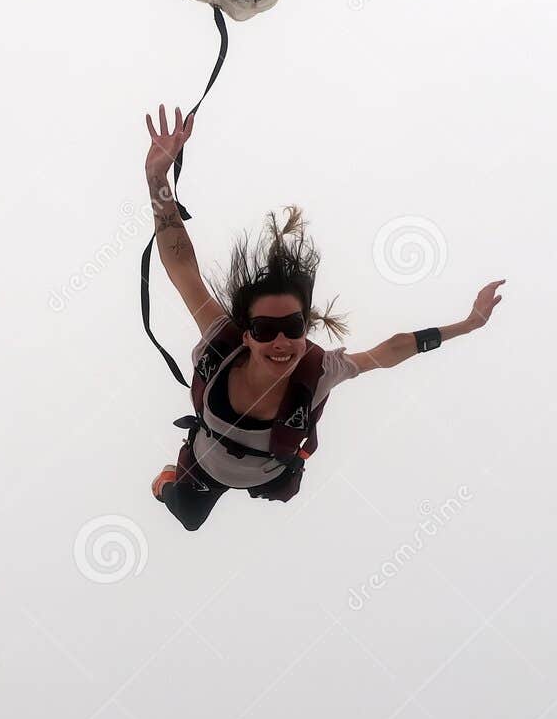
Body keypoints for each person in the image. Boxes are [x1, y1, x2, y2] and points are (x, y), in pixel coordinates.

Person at [143, 104, 504, 531]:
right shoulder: (220, 340)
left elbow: (390, 351)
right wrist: (156, 179)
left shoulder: (320, 371)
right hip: (205, 467)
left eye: (292, 328)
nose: (281, 342)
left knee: (276, 492)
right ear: (247, 336)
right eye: (264, 330)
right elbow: (181, 267)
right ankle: (169, 480)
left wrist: (469, 324)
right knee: (187, 516)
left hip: (271, 469)